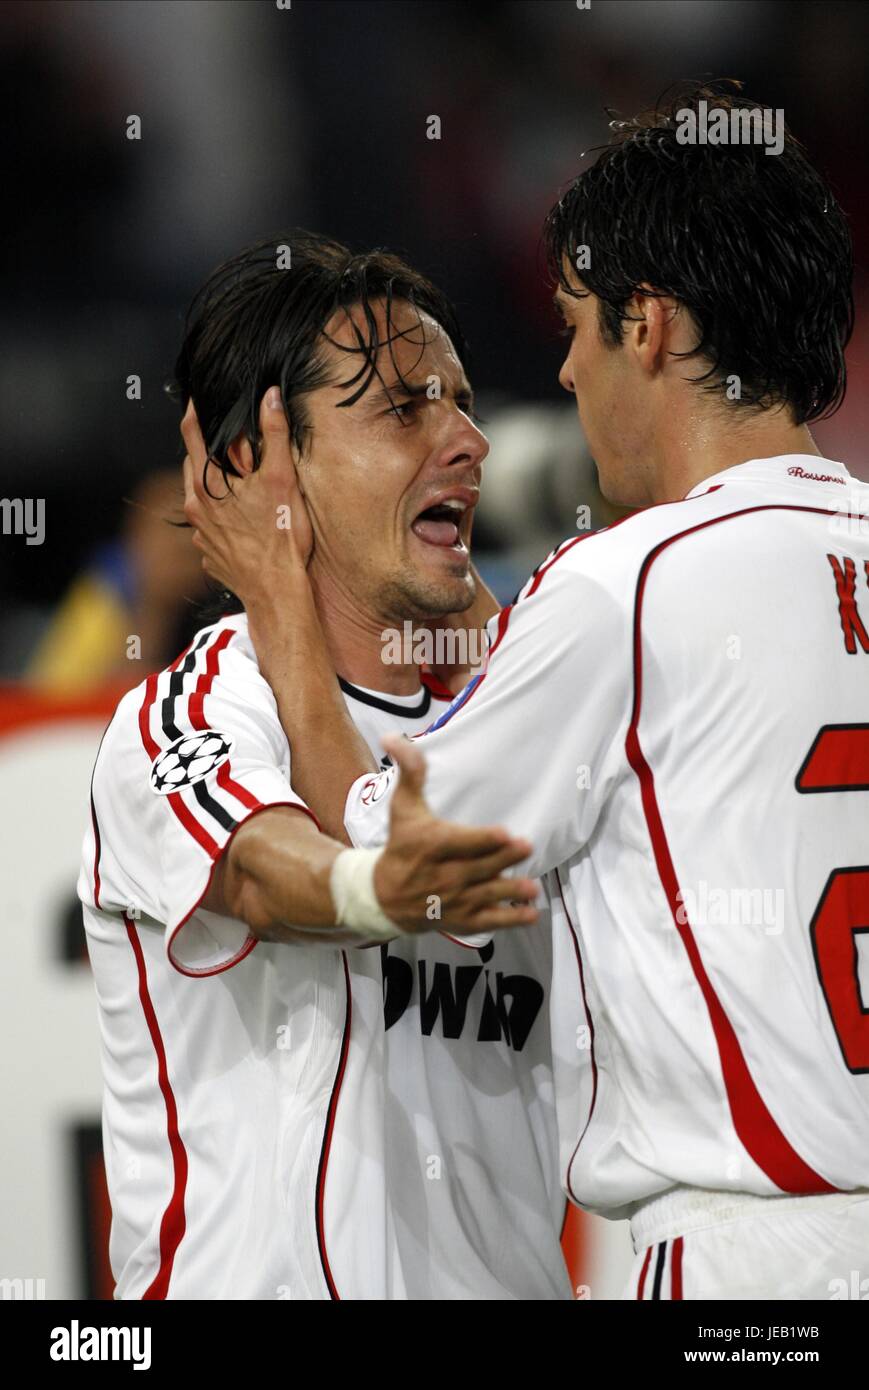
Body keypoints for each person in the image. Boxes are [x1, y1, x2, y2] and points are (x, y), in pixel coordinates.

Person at [184, 84, 869, 1300]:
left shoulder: (625, 585)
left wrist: (279, 605)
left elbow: (408, 866)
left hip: (751, 1259)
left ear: (647, 326)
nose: (559, 368)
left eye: (573, 322)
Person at [79, 233, 571, 1300]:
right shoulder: (190, 712)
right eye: (404, 409)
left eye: (462, 401)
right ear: (258, 467)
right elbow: (262, 872)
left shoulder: (530, 712)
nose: (470, 442)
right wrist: (373, 887)